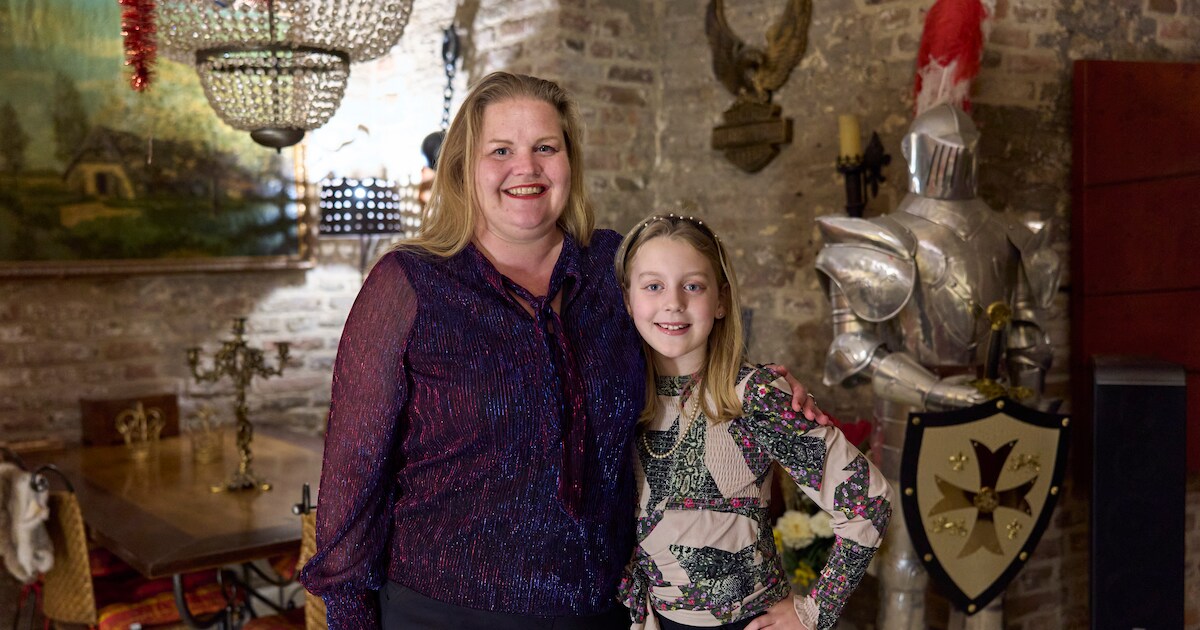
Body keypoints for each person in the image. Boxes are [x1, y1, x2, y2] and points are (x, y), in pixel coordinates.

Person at [298, 72, 825, 629]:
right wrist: (349, 613)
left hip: (599, 608)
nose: (525, 168)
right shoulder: (408, 284)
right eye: (500, 150)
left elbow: (688, 350)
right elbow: (354, 469)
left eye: (544, 147)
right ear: (463, 167)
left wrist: (758, 382)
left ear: (569, 161)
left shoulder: (616, 266)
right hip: (439, 609)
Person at [615, 214, 893, 630]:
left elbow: (868, 500)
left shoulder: (753, 395)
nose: (673, 302)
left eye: (693, 286)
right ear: (627, 299)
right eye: (653, 286)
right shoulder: (618, 398)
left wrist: (815, 611)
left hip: (748, 620)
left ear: (722, 300)